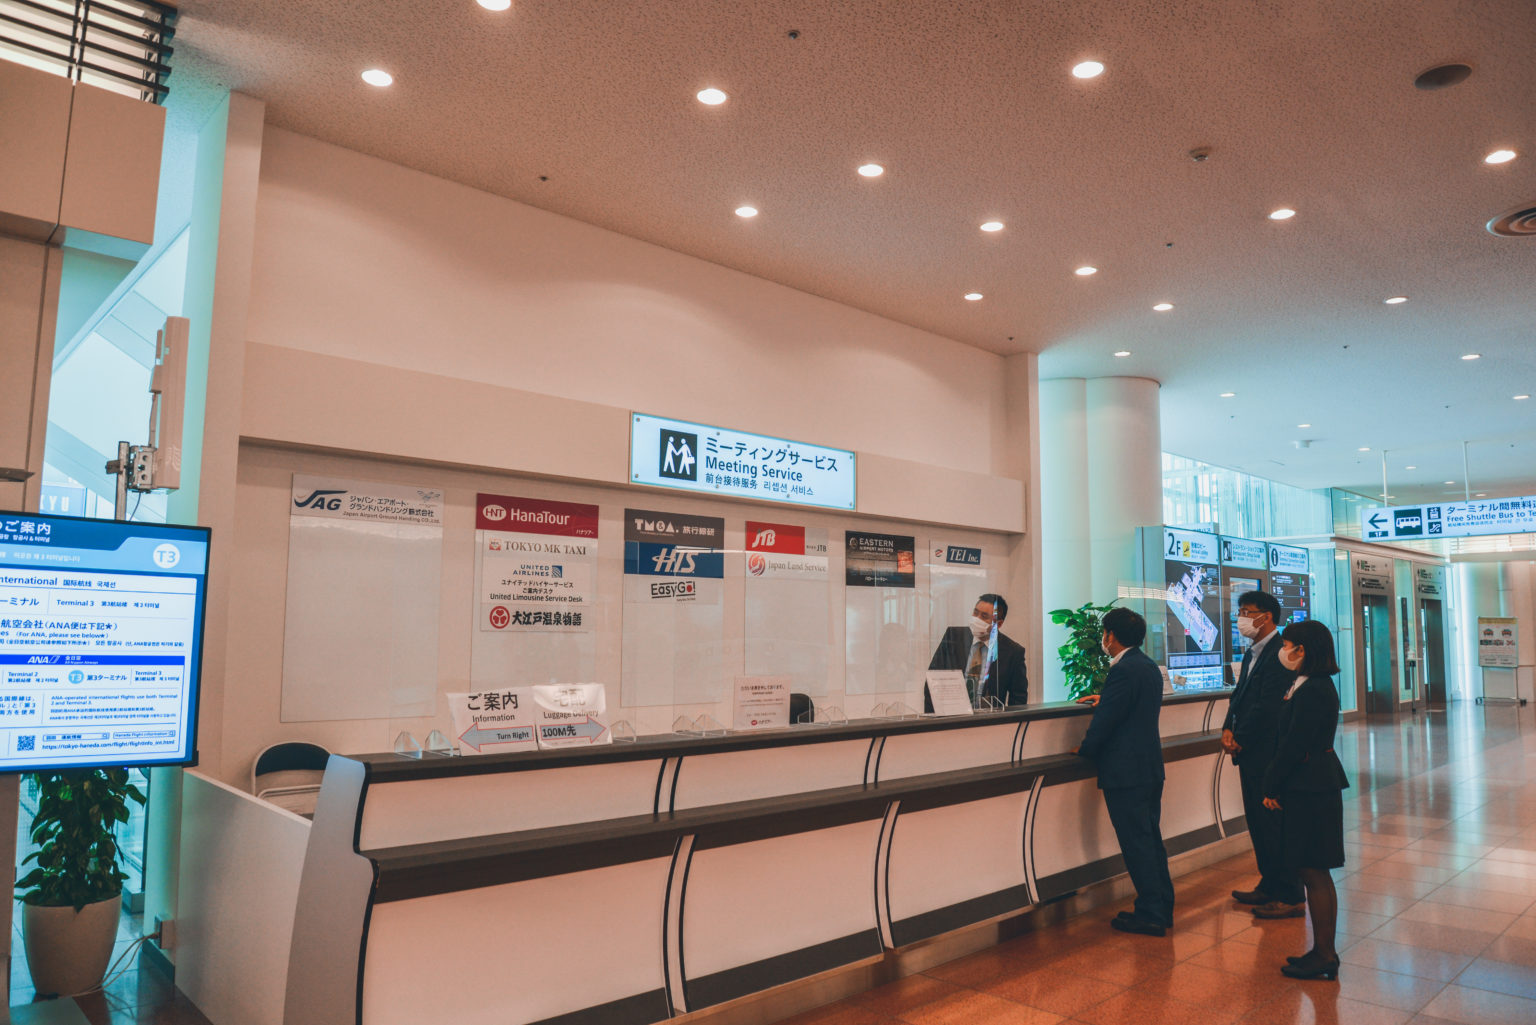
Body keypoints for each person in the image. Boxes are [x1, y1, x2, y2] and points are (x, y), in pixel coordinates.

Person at [1072, 607, 1174, 936]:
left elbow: (1107, 721)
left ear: (1111, 636)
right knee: (1150, 840)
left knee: (1137, 844)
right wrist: (1107, 698)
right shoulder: (1145, 666)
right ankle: (1160, 907)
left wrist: (1085, 749)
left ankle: (1150, 914)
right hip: (1148, 767)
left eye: (1105, 633)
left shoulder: (1124, 670)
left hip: (1127, 772)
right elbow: (1129, 706)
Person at [1262, 619, 1349, 980]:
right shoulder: (1306, 684)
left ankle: (1325, 954)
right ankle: (1321, 951)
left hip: (1312, 785)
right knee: (1312, 868)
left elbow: (1295, 744)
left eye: (1288, 644)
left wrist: (1270, 785)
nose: (1283, 650)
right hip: (1311, 782)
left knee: (1314, 869)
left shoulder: (1314, 688)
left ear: (1303, 650)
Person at [1222, 590, 1305, 919]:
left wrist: (1239, 737)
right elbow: (1240, 695)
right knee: (1257, 821)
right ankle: (1268, 884)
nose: (1241, 617)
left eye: (1247, 611)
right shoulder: (1250, 654)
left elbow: (1268, 705)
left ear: (1267, 617)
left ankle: (1289, 893)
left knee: (1274, 822)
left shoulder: (1281, 652)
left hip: (1267, 751)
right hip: (1249, 751)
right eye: (1240, 611)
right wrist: (1228, 726)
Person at [925, 593, 1028, 709]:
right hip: (950, 717)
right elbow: (932, 681)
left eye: (984, 616)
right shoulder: (954, 637)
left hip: (989, 722)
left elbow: (1019, 698)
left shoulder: (1013, 652)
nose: (976, 619)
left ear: (998, 624)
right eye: (975, 612)